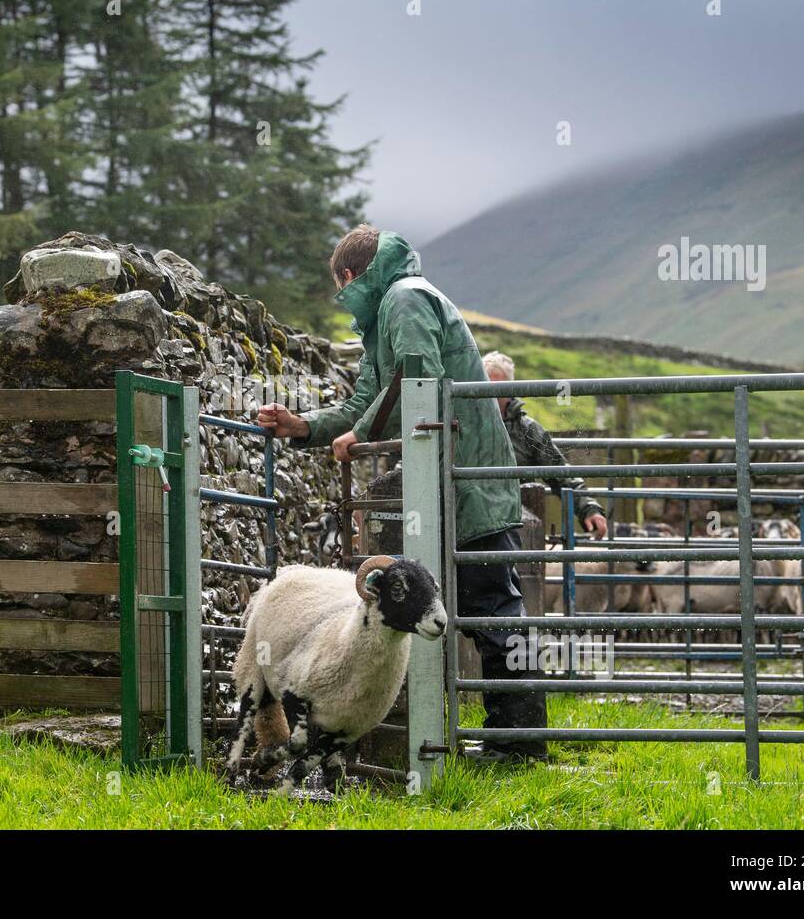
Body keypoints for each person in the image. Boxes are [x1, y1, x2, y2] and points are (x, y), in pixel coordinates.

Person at [257, 224, 547, 762]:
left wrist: (361, 432)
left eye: (340, 288)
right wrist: (307, 427)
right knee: (469, 606)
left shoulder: (405, 298)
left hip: (467, 481)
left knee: (491, 608)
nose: (342, 300)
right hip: (444, 478)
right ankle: (496, 736)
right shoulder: (391, 309)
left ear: (349, 276)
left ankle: (521, 742)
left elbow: (419, 379)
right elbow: (372, 398)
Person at [481, 350, 608, 540]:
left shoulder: (528, 430)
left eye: (497, 387)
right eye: (485, 386)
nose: (491, 394)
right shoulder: (464, 425)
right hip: (473, 519)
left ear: (510, 390)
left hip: (515, 521)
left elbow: (560, 472)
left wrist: (588, 508)